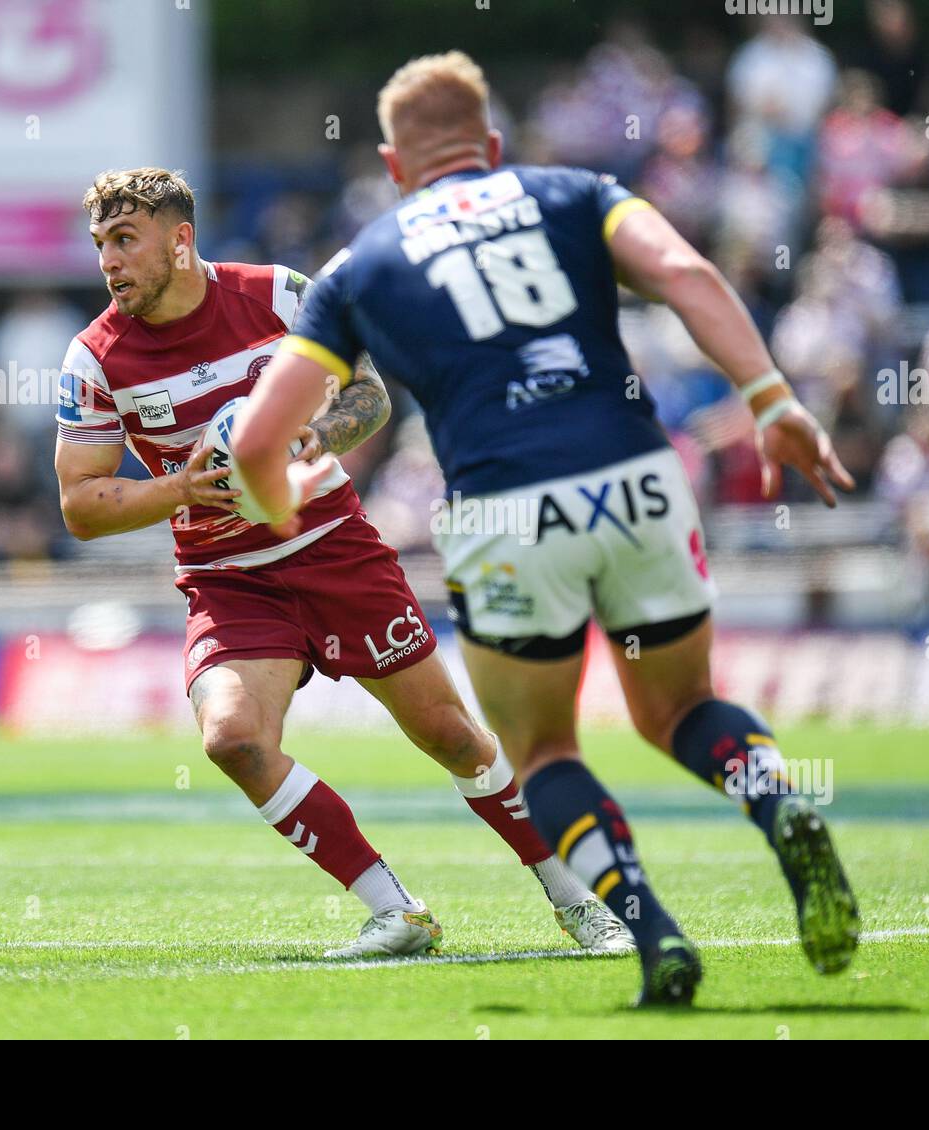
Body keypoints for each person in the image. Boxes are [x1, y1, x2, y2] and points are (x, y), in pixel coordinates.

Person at [234, 51, 860, 1006]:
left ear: (392, 167)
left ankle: (654, 936)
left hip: (506, 509)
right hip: (639, 478)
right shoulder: (577, 191)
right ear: (492, 146)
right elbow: (686, 274)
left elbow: (259, 441)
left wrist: (276, 511)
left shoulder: (360, 264)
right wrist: (772, 400)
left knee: (544, 754)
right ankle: (776, 805)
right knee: (682, 710)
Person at [52, 168, 631, 960]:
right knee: (232, 740)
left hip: (334, 551)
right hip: (230, 578)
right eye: (100, 247)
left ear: (180, 240)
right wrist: (182, 487)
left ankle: (577, 900)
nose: (109, 263)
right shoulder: (95, 358)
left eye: (125, 241)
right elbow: (82, 504)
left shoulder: (279, 294)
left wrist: (314, 439)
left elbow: (369, 395)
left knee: (452, 736)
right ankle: (396, 911)